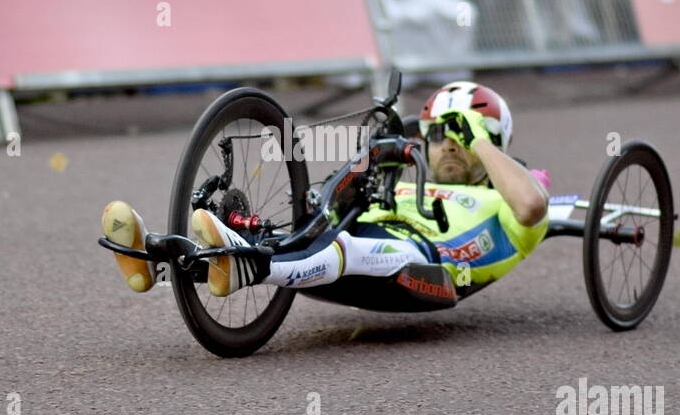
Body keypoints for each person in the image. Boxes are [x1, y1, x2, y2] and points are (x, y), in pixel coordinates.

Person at [102, 81, 550, 298]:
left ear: (494, 140)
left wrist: (477, 138)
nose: (448, 145)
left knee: (349, 248)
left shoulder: (510, 200)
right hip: (356, 244)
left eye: (462, 136)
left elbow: (532, 207)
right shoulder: (409, 179)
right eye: (438, 135)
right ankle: (157, 257)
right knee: (307, 227)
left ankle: (249, 266)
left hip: (427, 267)